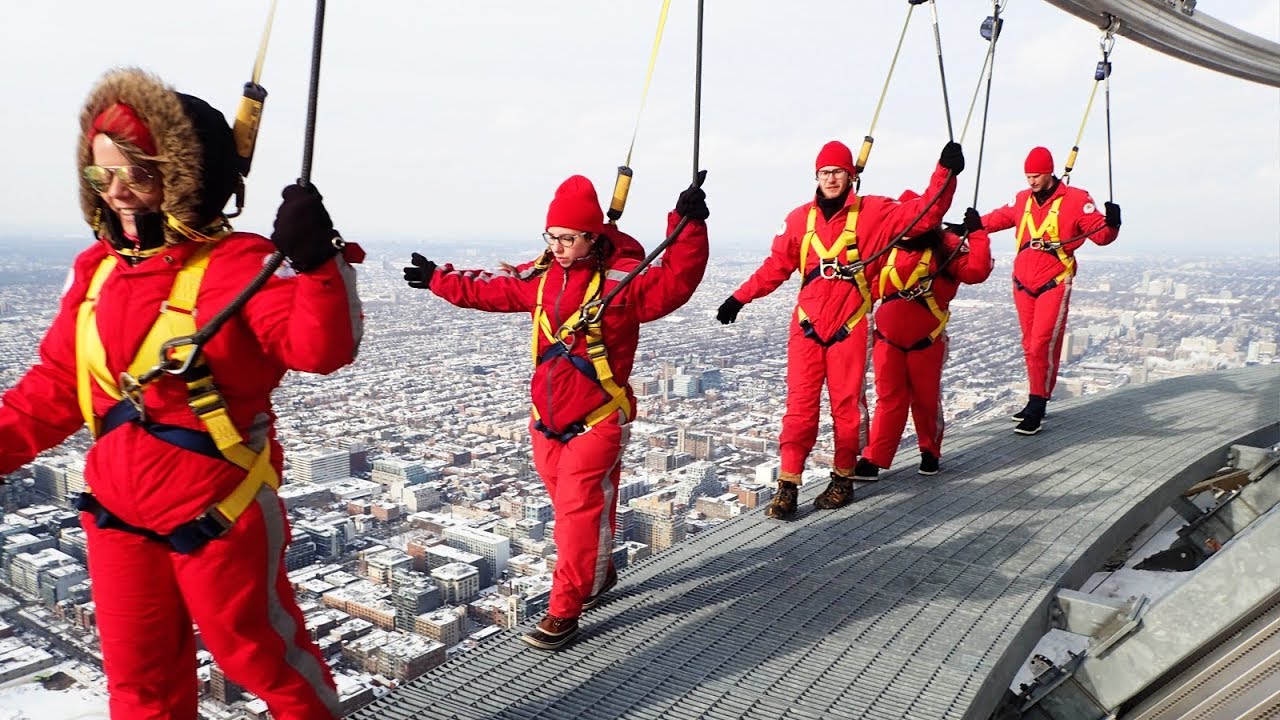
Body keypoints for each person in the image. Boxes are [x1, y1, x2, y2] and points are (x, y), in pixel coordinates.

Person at [0, 68, 363, 719]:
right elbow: (55, 388)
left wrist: (316, 265)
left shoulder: (238, 266)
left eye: (134, 174)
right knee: (138, 682)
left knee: (260, 658)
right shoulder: (98, 273)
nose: (115, 193)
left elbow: (319, 348)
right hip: (118, 514)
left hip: (216, 508)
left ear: (184, 175)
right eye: (99, 175)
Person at [403, 173, 709, 650]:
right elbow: (492, 288)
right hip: (546, 422)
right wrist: (439, 280)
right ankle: (597, 574)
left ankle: (564, 610)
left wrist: (687, 226)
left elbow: (674, 281)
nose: (559, 246)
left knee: (574, 516)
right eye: (552, 237)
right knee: (582, 511)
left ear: (593, 236)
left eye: (569, 238)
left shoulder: (619, 282)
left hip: (598, 418)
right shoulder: (542, 277)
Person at [716, 140, 962, 518]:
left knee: (847, 407)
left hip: (849, 326)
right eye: (824, 172)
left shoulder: (875, 213)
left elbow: (924, 214)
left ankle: (843, 478)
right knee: (799, 408)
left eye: (837, 172)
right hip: (807, 326)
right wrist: (740, 297)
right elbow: (776, 266)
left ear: (851, 175)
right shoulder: (800, 220)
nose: (831, 178)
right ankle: (788, 484)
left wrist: (945, 173)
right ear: (816, 177)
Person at [980, 146, 1120, 435]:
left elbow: (1101, 236)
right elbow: (999, 218)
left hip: (1053, 281)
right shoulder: (1023, 200)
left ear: (1049, 173)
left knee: (1041, 343)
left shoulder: (1076, 200)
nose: (1030, 181)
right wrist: (971, 226)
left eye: (1036, 176)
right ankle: (1036, 397)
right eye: (1028, 176)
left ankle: (1037, 403)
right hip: (1022, 282)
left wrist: (1113, 223)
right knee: (1030, 344)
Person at [858, 205, 993, 480]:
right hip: (889, 340)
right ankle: (874, 459)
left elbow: (977, 271)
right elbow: (867, 288)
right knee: (889, 399)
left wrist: (978, 234)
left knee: (925, 399)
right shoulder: (888, 248)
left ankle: (929, 451)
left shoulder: (945, 249)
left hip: (926, 342)